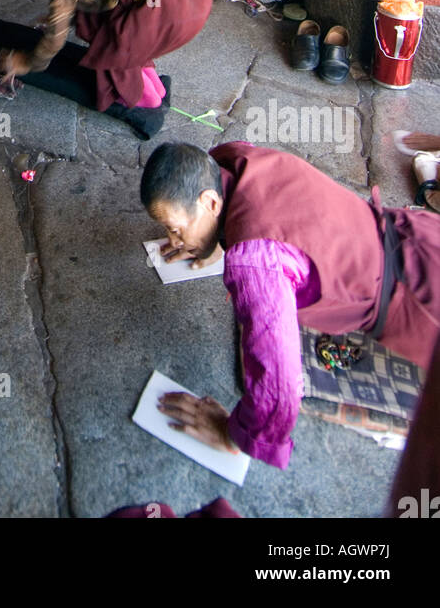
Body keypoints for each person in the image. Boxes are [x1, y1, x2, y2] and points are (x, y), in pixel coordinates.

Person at [140, 141, 440, 468]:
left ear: (210, 202)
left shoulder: (254, 264)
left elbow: (279, 382)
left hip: (420, 302)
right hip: (420, 233)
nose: (173, 240)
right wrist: (203, 238)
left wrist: (233, 434)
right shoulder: (233, 159)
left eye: (175, 229)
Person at [0, 0, 212, 138]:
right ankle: (157, 88)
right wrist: (59, 17)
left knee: (112, 47)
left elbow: (55, 38)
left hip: (170, 7)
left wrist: (27, 62)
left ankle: (148, 103)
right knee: (93, 20)